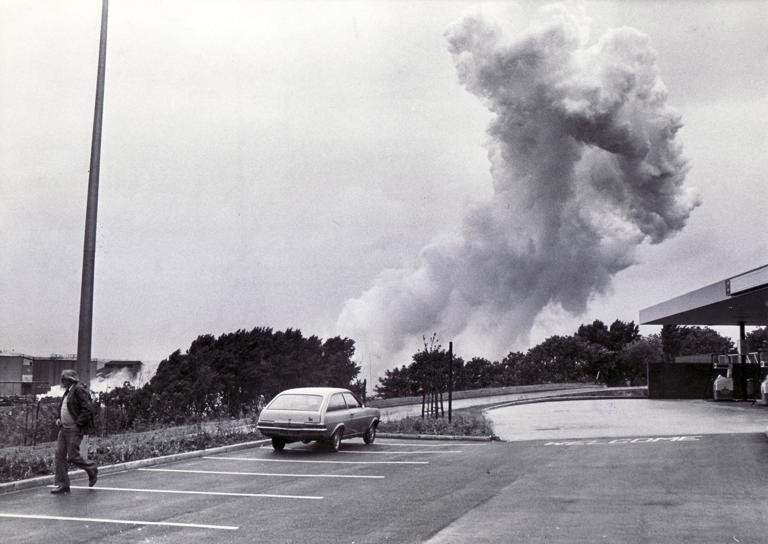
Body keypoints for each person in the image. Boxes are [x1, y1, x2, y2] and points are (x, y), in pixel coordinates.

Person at [51, 369, 98, 494]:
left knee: (72, 455)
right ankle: (63, 484)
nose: (62, 381)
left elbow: (87, 409)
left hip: (74, 429)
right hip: (64, 428)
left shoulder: (78, 390)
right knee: (60, 456)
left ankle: (91, 468)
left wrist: (78, 424)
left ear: (70, 379)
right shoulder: (68, 391)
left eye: (64, 379)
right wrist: (59, 418)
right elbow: (64, 406)